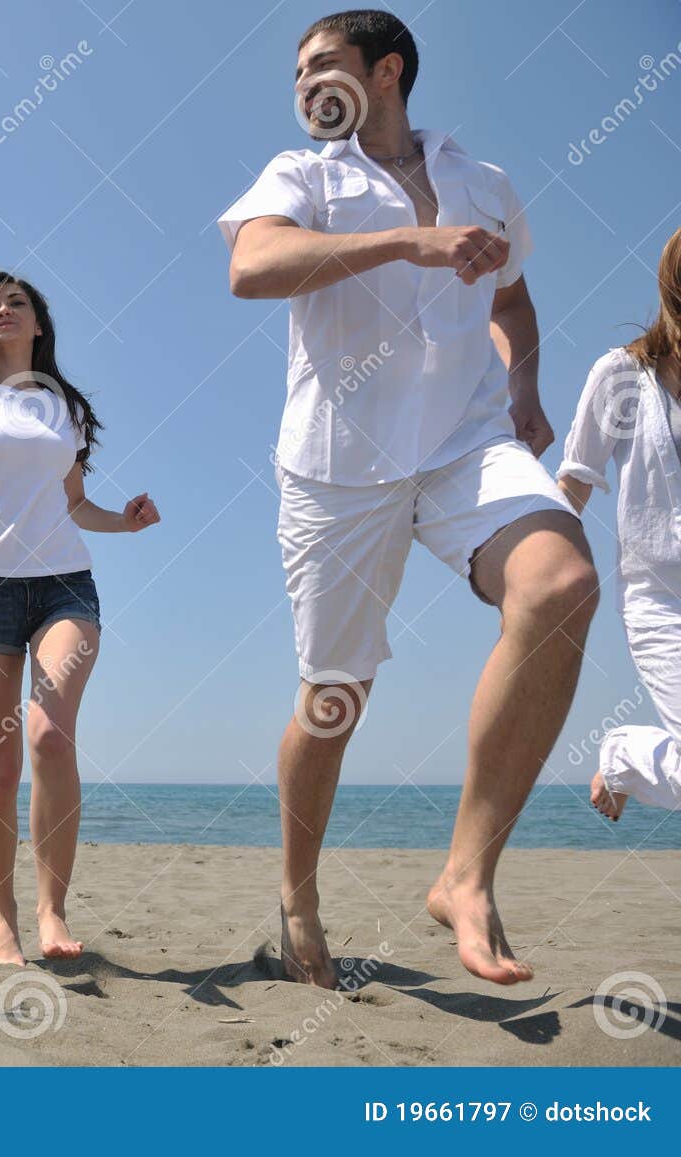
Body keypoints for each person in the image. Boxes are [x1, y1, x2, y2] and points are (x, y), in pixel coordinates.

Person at [218, 9, 598, 987]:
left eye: (322, 66)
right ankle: (299, 889)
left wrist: (523, 388)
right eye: (296, 74)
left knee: (559, 586)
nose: (304, 85)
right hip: (337, 467)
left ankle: (465, 875)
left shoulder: (486, 183)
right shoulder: (302, 173)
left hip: (468, 443)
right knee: (335, 698)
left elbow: (510, 300)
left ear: (385, 70)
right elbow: (250, 268)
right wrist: (405, 243)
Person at [0, 272, 159, 965]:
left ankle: (52, 909)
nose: (4, 310)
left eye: (17, 302)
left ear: (37, 323)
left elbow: (76, 504)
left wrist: (124, 520)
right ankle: (5, 922)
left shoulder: (66, 406)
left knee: (50, 736)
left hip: (64, 586)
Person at [559, 226, 681, 819]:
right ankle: (624, 753)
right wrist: (539, 579)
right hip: (660, 601)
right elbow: (574, 483)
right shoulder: (624, 378)